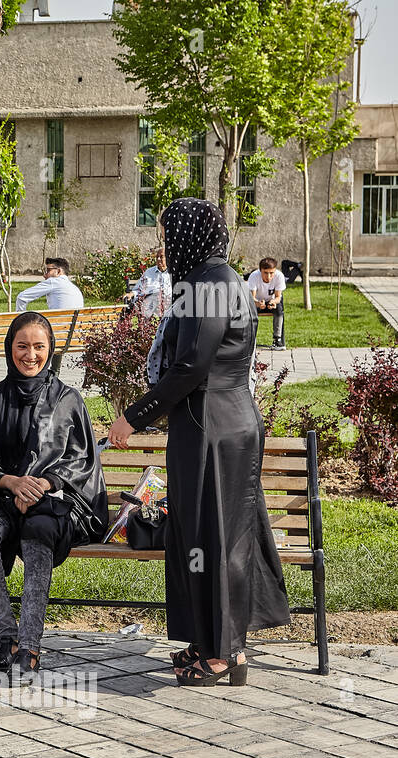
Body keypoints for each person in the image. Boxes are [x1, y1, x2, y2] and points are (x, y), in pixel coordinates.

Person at [108, 197, 291, 687]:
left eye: (168, 234)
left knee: (216, 537)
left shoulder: (211, 284)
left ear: (190, 234)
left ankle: (224, 651)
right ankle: (211, 641)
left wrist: (134, 416)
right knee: (197, 534)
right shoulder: (211, 280)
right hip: (208, 423)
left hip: (215, 426)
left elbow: (191, 367)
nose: (162, 244)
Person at [0, 312, 109, 685]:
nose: (30, 355)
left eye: (39, 347)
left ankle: (30, 646)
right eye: (22, 346)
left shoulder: (67, 400)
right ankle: (7, 639)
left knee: (39, 526)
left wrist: (44, 484)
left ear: (50, 350)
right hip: (3, 498)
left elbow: (81, 461)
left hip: (57, 501)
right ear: (9, 348)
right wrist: (11, 482)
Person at [247, 256, 287, 350]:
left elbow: (278, 297)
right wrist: (258, 303)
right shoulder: (254, 276)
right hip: (257, 301)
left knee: (279, 309)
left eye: (271, 273)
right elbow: (252, 298)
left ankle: (277, 340)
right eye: (265, 273)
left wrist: (273, 302)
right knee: (249, 311)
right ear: (260, 270)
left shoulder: (279, 276)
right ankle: (251, 339)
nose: (268, 276)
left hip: (272, 301)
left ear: (275, 271)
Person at [16, 257, 84, 312]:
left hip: (58, 327)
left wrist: (21, 320)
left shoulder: (54, 281)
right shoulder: (74, 288)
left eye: (48, 270)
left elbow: (21, 297)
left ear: (58, 271)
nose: (44, 275)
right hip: (77, 328)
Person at [122, 246, 171, 321]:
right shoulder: (149, 272)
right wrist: (131, 294)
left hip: (168, 305)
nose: (158, 259)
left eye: (161, 257)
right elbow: (138, 289)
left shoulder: (173, 272)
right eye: (157, 257)